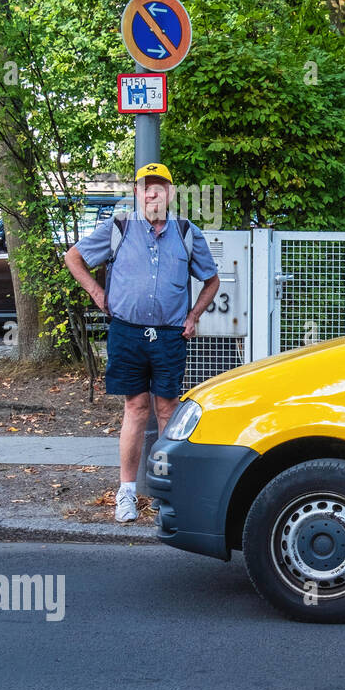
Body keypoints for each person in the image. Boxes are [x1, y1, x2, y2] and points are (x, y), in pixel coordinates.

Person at [65, 164, 220, 522]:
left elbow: (211, 281)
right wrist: (95, 290)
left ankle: (168, 495)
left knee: (167, 411)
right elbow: (73, 258)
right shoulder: (118, 228)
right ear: (137, 194)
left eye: (159, 187)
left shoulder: (186, 232)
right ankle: (127, 493)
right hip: (127, 333)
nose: (152, 194)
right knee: (135, 409)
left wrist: (193, 315)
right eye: (145, 188)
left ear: (170, 193)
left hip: (170, 335)